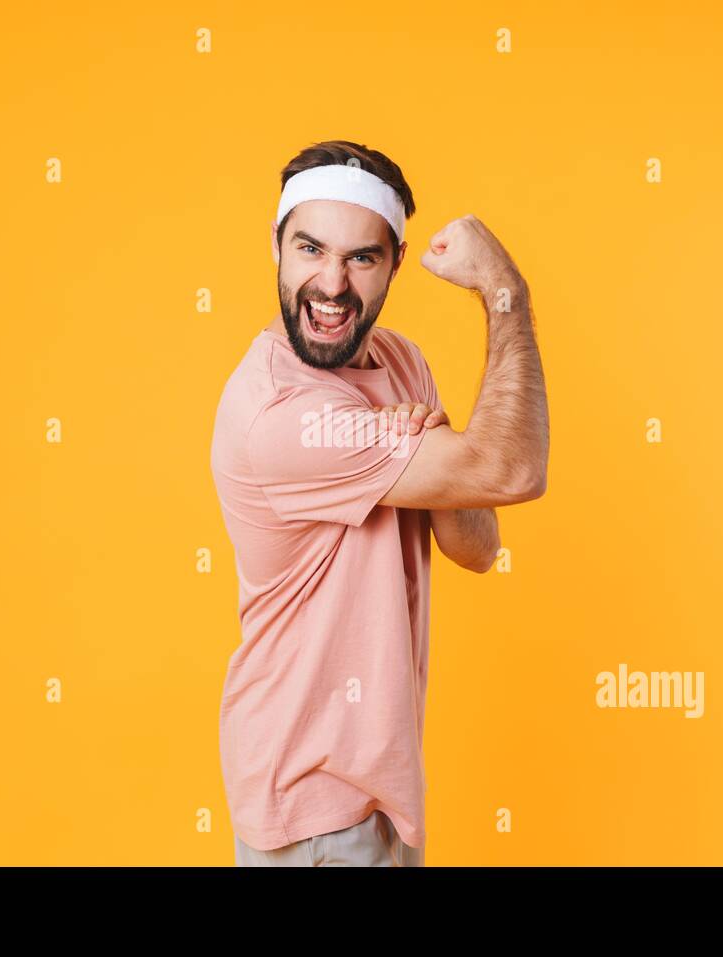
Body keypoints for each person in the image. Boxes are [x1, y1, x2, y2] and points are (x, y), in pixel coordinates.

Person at [210, 140, 549, 866]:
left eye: (361, 257)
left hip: (382, 787)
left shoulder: (400, 361)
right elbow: (513, 469)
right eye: (309, 248)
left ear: (395, 263)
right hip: (313, 808)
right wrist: (505, 292)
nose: (330, 284)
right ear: (276, 246)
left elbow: (477, 546)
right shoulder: (279, 414)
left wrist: (445, 461)